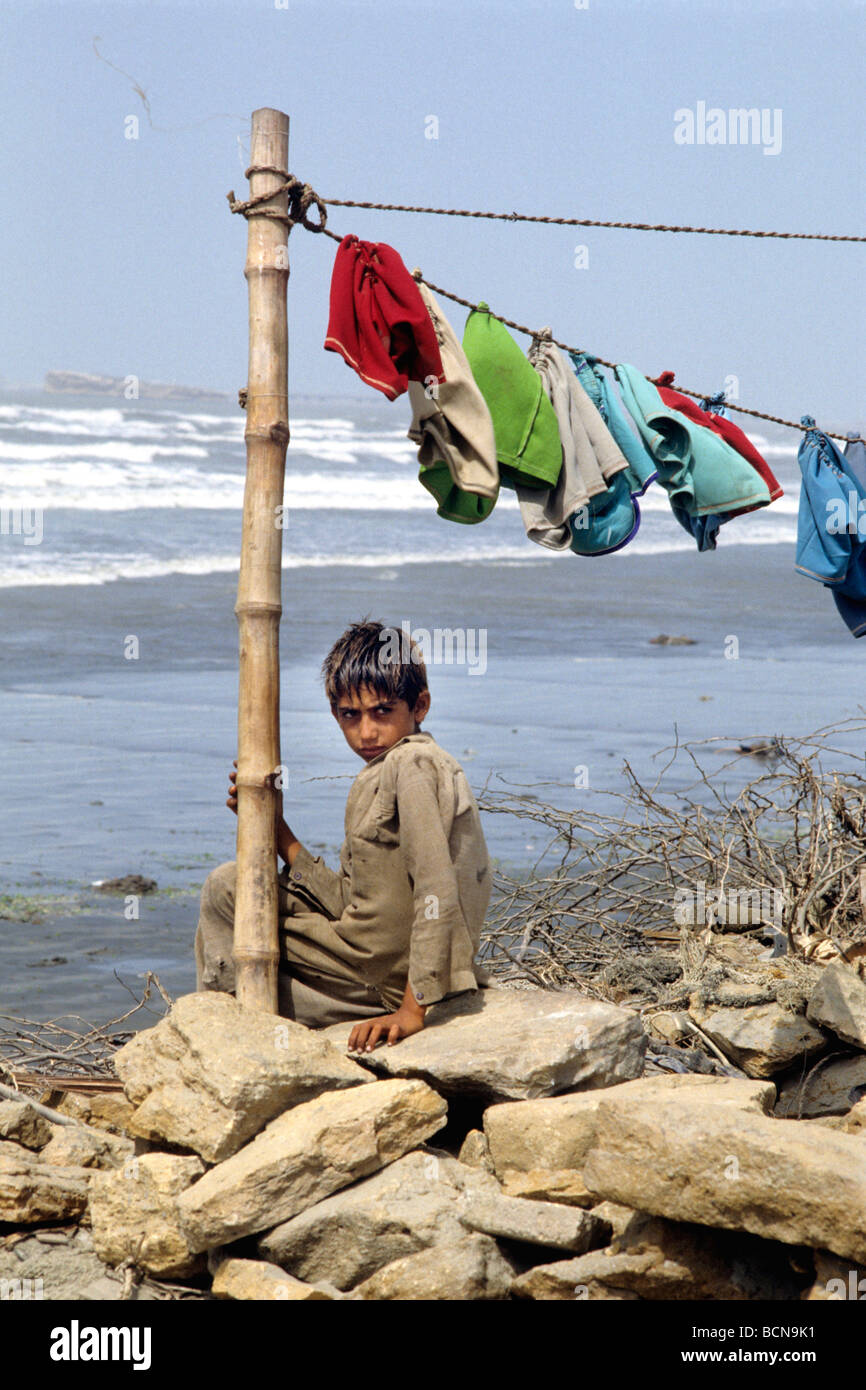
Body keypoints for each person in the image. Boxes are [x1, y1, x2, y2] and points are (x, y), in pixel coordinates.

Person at [195, 619, 491, 1052]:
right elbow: (356, 903)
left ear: (420, 706)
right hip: (361, 953)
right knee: (229, 885)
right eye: (350, 715)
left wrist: (414, 1008)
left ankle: (220, 1036)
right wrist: (276, 829)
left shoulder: (411, 767)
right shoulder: (383, 770)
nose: (366, 731)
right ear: (335, 713)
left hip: (381, 976)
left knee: (228, 900)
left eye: (382, 712)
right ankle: (232, 1018)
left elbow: (437, 888)